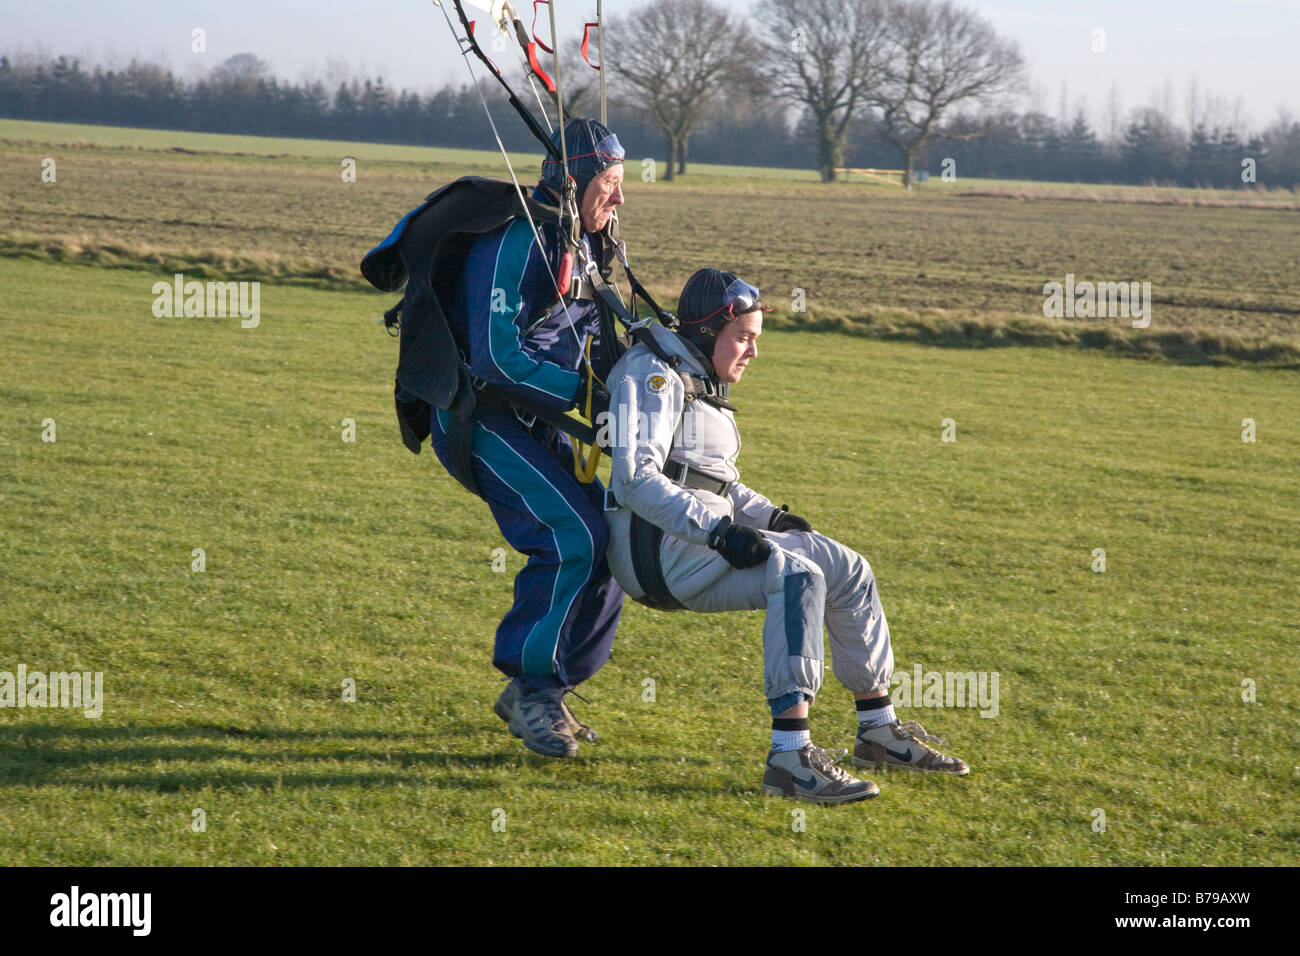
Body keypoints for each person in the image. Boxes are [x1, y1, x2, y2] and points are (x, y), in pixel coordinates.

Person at [602, 268, 970, 803]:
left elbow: (715, 482)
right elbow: (635, 479)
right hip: (657, 555)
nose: (752, 352)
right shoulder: (652, 374)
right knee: (797, 574)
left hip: (694, 544)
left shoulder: (697, 377)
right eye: (744, 338)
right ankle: (790, 757)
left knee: (848, 567)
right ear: (709, 332)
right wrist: (723, 533)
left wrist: (769, 517)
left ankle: (878, 730)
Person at [401, 117, 627, 758]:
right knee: (574, 536)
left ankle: (543, 688)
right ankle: (533, 691)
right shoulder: (517, 240)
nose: (617, 198)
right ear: (575, 178)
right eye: (608, 183)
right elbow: (499, 358)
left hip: (539, 422)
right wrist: (589, 400)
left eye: (620, 184)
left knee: (612, 538)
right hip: (479, 416)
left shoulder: (585, 246)